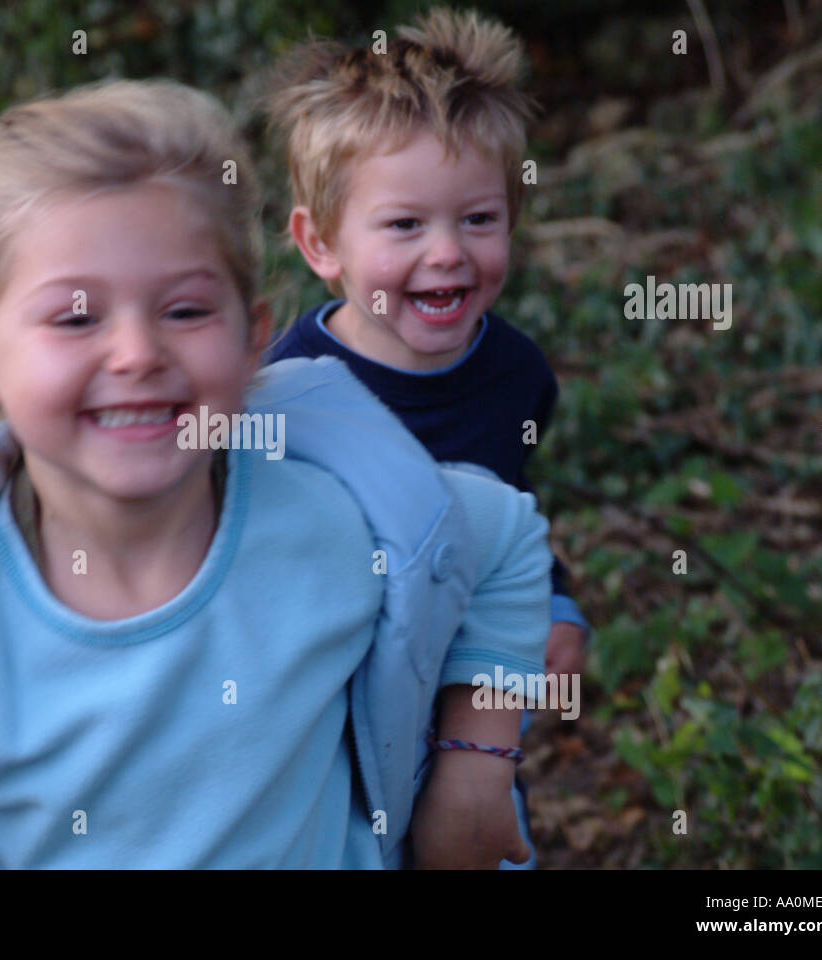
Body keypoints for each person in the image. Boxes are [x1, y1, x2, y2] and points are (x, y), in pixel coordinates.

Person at [0, 78, 550, 869]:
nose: (136, 352)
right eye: (75, 319)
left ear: (250, 339)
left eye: (185, 309)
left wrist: (475, 763)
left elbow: (505, 544)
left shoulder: (347, 517)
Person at [263, 7, 590, 868]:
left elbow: (507, 504)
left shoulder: (515, 373)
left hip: (461, 687)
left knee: (471, 825)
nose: (447, 253)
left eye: (477, 220)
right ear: (321, 242)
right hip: (331, 699)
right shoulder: (285, 391)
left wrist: (552, 600)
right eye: (405, 226)